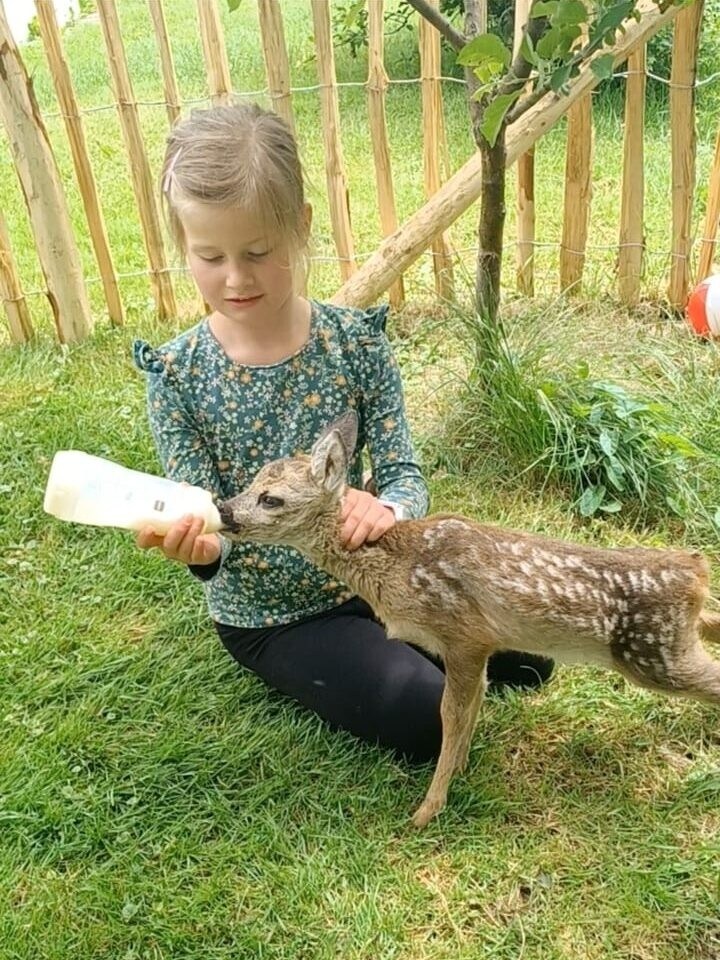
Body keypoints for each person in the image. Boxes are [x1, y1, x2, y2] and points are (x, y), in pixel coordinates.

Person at [133, 102, 553, 763]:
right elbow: (212, 519)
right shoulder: (178, 376)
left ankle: (410, 644)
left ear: (300, 227)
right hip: (278, 616)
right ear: (180, 248)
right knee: (423, 717)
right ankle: (373, 663)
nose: (236, 278)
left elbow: (404, 475)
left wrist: (384, 507)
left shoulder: (356, 345)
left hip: (381, 577)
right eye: (210, 256)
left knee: (531, 660)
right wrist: (199, 550)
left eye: (258, 252)